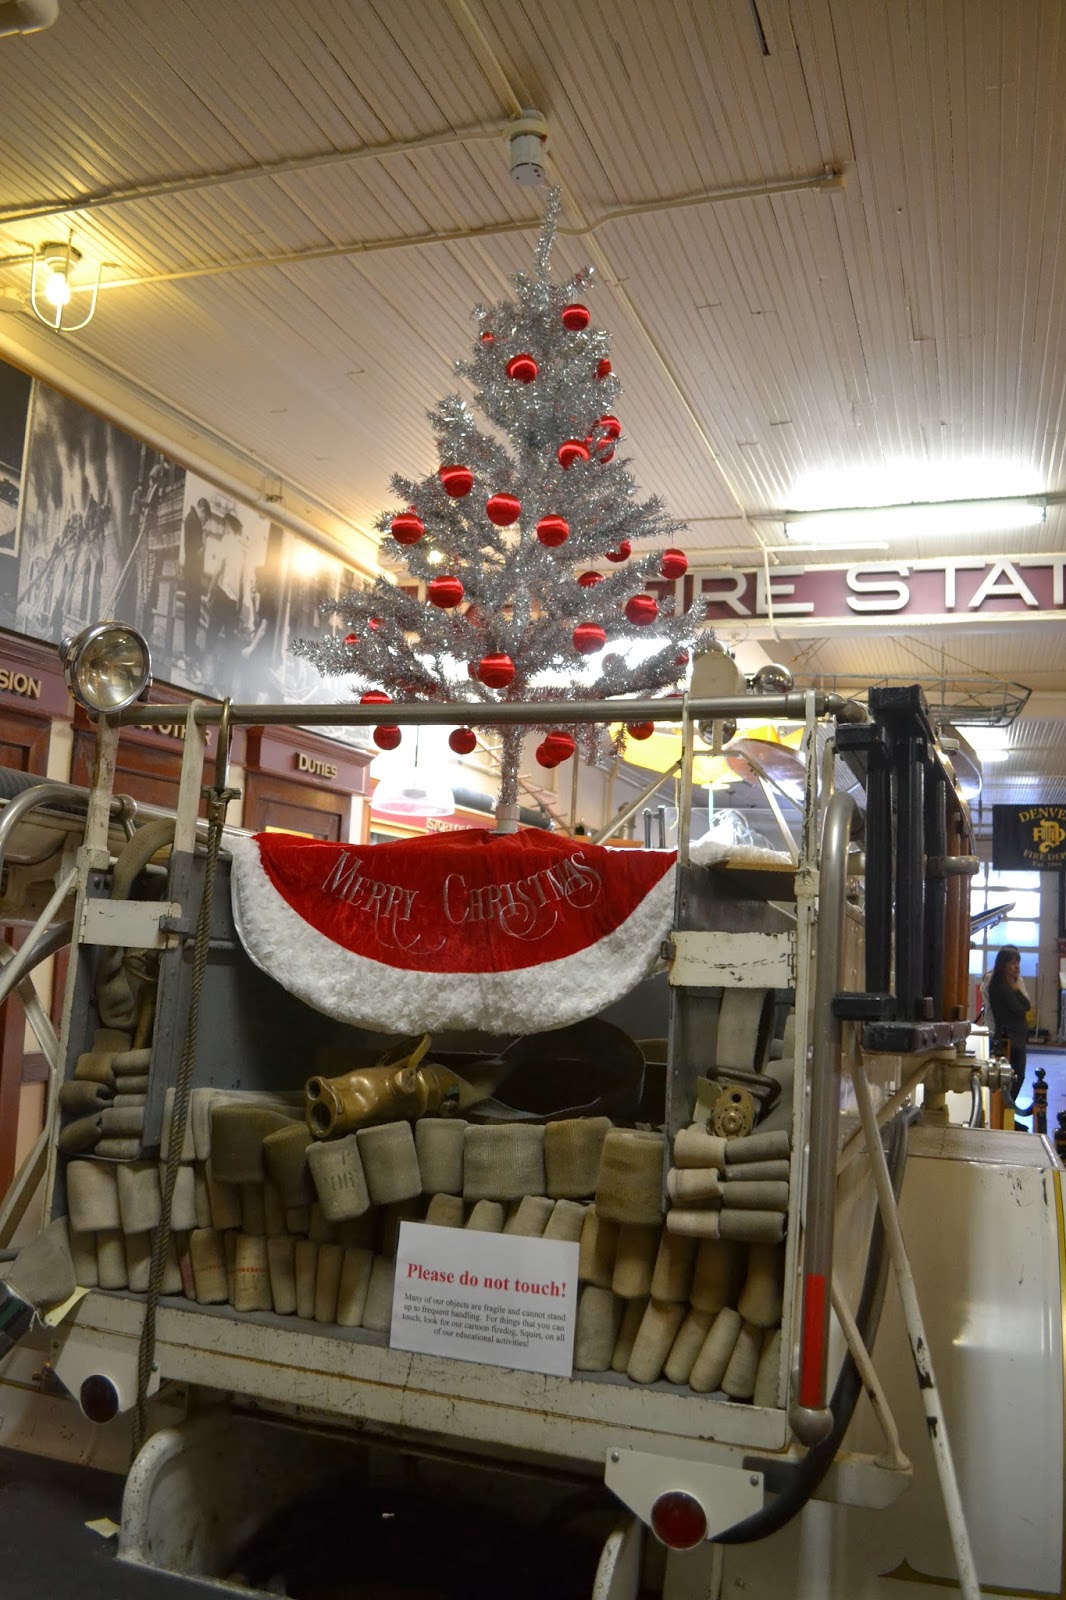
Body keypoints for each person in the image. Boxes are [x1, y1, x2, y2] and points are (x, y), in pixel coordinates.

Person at [986, 945, 1031, 1101]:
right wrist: (1014, 990)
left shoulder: (1013, 985)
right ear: (1003, 965)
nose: (1016, 966)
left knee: (1017, 1077)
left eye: (1018, 962)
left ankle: (1009, 1112)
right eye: (1012, 963)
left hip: (1017, 1038)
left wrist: (1016, 989)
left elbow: (1027, 1005)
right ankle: (1006, 1112)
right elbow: (1020, 1010)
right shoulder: (1000, 987)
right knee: (1011, 1078)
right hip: (1008, 1039)